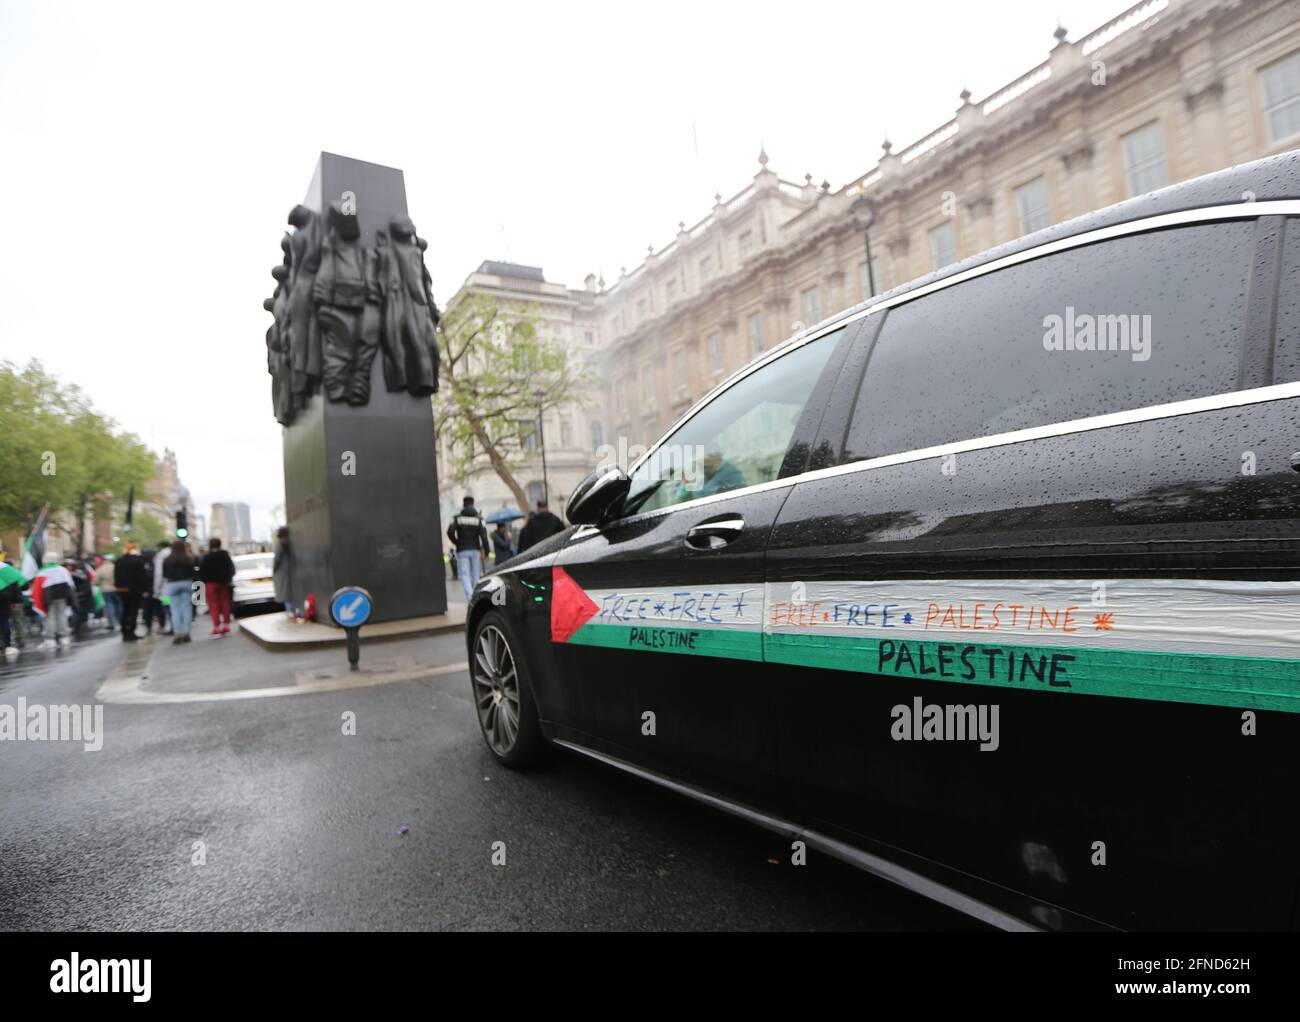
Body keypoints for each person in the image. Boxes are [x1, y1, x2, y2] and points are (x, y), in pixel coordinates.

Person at [446, 496, 489, 600]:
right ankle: (475, 597)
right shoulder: (479, 518)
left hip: (462, 550)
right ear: (473, 504)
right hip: (475, 549)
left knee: (465, 575)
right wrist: (486, 551)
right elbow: (484, 536)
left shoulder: (458, 518)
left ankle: (470, 598)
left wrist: (457, 542)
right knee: (476, 574)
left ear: (464, 504)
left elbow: (450, 532)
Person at [198, 537, 236, 636]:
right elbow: (231, 568)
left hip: (210, 583)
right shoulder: (225, 554)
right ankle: (226, 625)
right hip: (224, 582)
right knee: (225, 602)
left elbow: (201, 571)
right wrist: (228, 578)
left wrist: (204, 580)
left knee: (213, 604)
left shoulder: (206, 556)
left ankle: (216, 627)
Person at [162, 540, 196, 643]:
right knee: (186, 609)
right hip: (186, 583)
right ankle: (186, 633)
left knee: (174, 610)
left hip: (172, 584)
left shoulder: (167, 560)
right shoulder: (188, 558)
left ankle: (178, 634)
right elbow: (193, 572)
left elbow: (164, 575)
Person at [35, 558, 74, 648]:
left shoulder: (42, 571)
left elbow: (37, 588)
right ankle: (64, 637)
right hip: (62, 596)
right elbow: (71, 584)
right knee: (62, 616)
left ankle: (50, 639)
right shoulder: (62, 570)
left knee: (50, 617)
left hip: (48, 598)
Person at [115, 541, 150, 641]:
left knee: (125, 611)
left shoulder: (119, 561)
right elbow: (142, 577)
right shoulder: (138, 561)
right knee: (133, 611)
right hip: (134, 591)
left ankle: (124, 632)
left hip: (121, 590)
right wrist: (145, 589)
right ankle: (131, 632)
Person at [0, 553, 27, 656]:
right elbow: (16, 581)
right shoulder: (4, 567)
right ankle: (8, 646)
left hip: (5, 598)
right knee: (5, 622)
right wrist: (15, 601)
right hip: (5, 599)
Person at [146, 540, 172, 635]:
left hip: (164, 590)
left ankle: (172, 627)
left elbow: (158, 575)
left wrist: (156, 591)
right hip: (177, 585)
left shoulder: (160, 556)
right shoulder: (176, 553)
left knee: (168, 607)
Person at [273, 526, 295, 619]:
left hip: (281, 572)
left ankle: (289, 611)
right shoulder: (289, 542)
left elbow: (277, 559)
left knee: (284, 592)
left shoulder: (280, 543)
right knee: (288, 591)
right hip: (289, 570)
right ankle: (291, 610)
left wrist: (274, 569)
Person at [98, 554, 120, 632]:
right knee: (118, 605)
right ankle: (120, 620)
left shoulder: (101, 568)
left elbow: (96, 580)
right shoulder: (116, 567)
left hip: (105, 589)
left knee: (109, 606)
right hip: (116, 588)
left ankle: (112, 623)